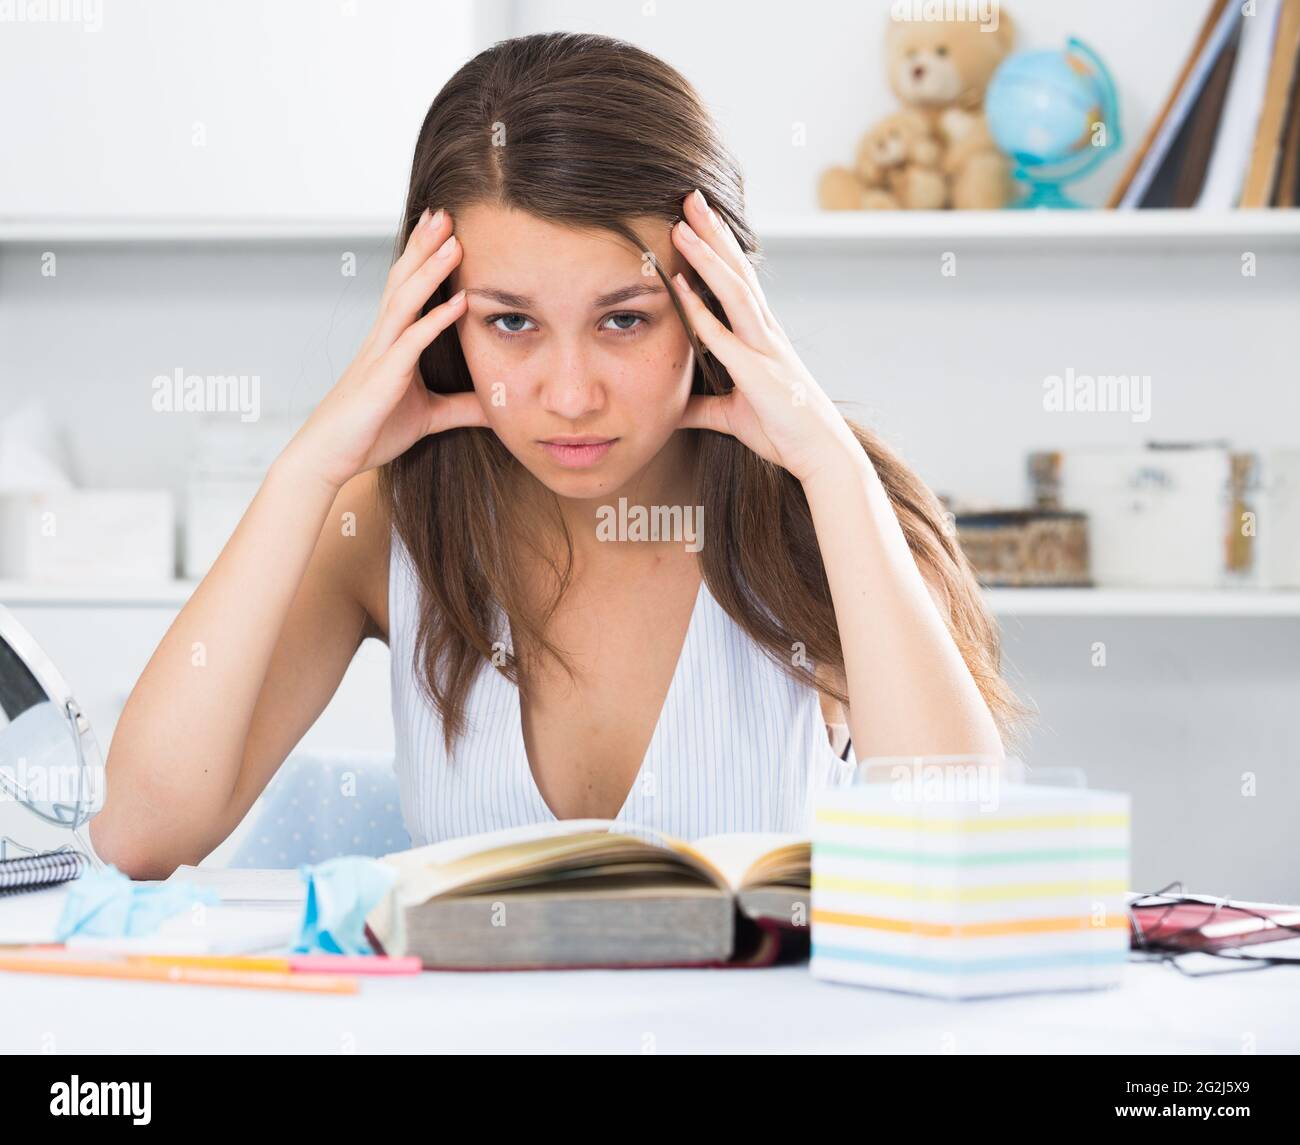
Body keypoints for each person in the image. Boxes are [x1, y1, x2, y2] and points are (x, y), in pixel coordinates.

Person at [91, 32, 1024, 879]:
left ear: (716, 300)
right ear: (438, 317)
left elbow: (967, 859)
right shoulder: (382, 518)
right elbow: (142, 832)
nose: (570, 394)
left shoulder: (823, 507)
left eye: (624, 318)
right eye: (511, 322)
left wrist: (828, 466)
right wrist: (308, 469)